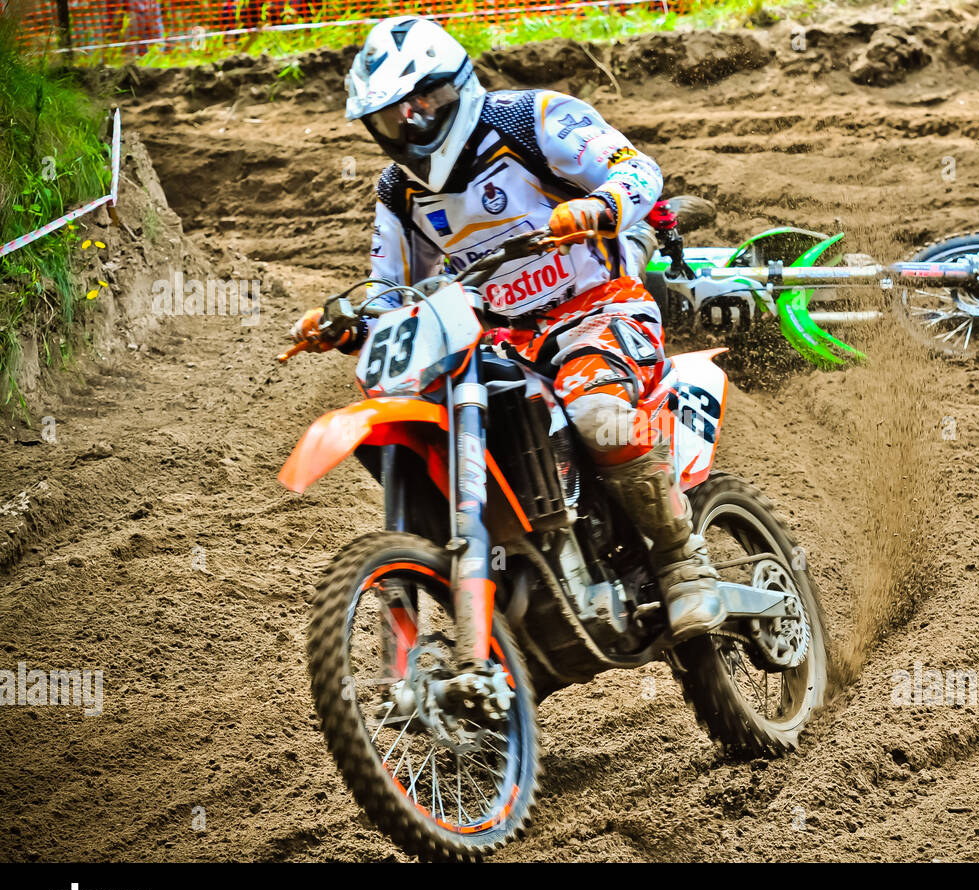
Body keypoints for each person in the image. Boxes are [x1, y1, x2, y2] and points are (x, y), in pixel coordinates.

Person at [289, 16, 723, 638]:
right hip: (495, 341)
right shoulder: (397, 193)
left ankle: (683, 559)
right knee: (444, 425)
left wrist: (600, 205)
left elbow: (636, 169)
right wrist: (348, 321)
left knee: (598, 409)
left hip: (599, 304)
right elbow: (390, 287)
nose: (406, 127)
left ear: (450, 89)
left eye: (416, 108)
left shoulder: (533, 118)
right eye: (387, 119)